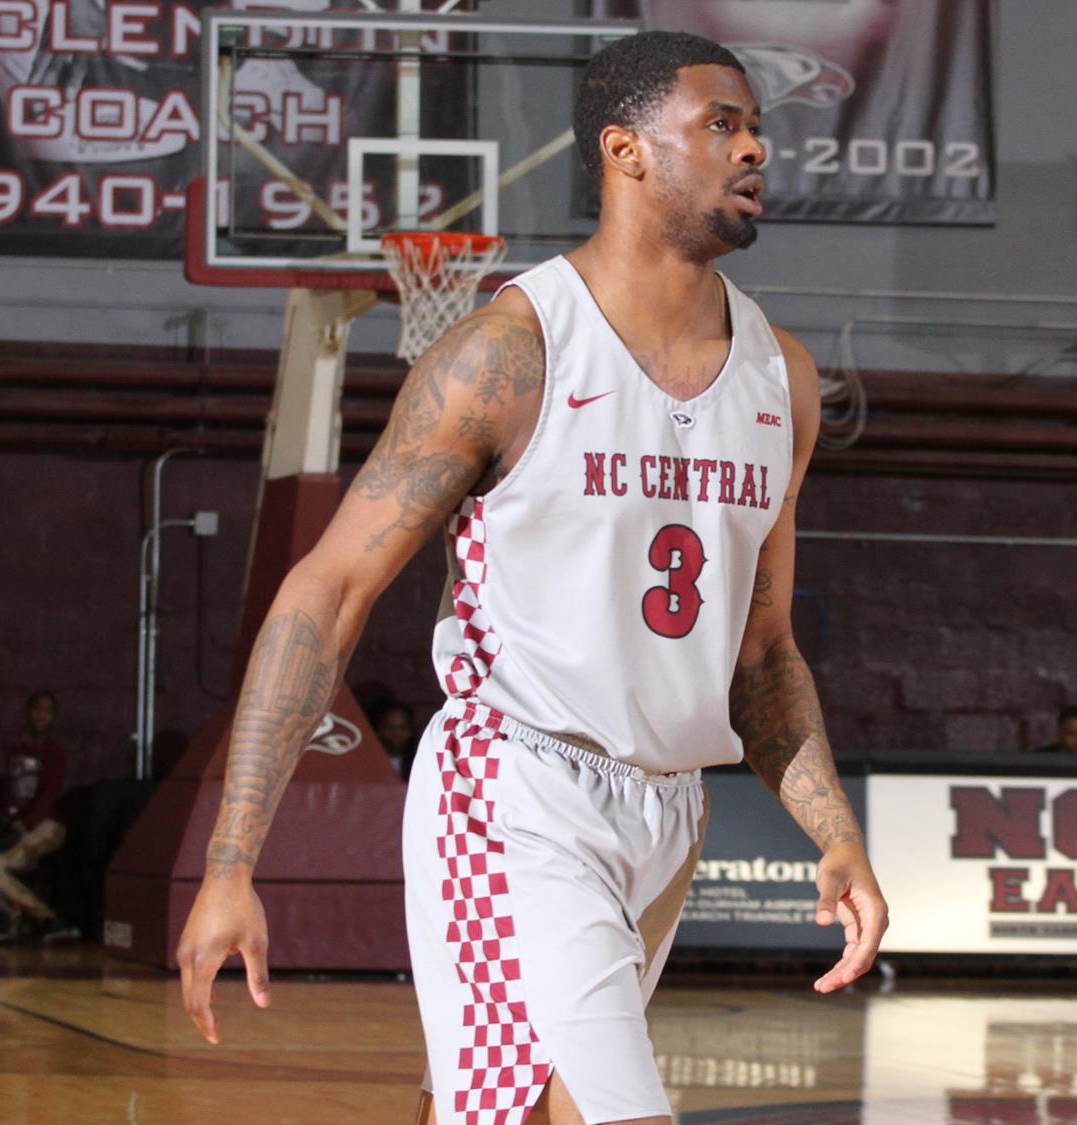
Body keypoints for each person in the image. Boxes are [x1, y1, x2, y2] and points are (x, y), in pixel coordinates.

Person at [177, 31, 887, 1125]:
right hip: (516, 789)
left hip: (667, 811)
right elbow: (326, 591)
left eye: (754, 128)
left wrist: (834, 833)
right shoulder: (507, 353)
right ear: (626, 151)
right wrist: (233, 859)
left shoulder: (778, 377)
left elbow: (761, 648)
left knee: (494, 1109)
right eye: (720, 125)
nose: (754, 149)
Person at [0, 690, 79, 943]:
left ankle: (49, 919)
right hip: (16, 824)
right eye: (36, 709)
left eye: (47, 710)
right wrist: (5, 819)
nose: (41, 715)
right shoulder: (16, 748)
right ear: (27, 713)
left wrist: (26, 823)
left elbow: (50, 793)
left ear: (54, 717)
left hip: (46, 826)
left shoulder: (54, 749)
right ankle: (7, 913)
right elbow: (10, 790)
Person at [366, 697, 417, 782]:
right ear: (378, 730)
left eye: (402, 727)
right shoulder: (367, 763)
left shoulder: (419, 762)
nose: (396, 733)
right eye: (390, 727)